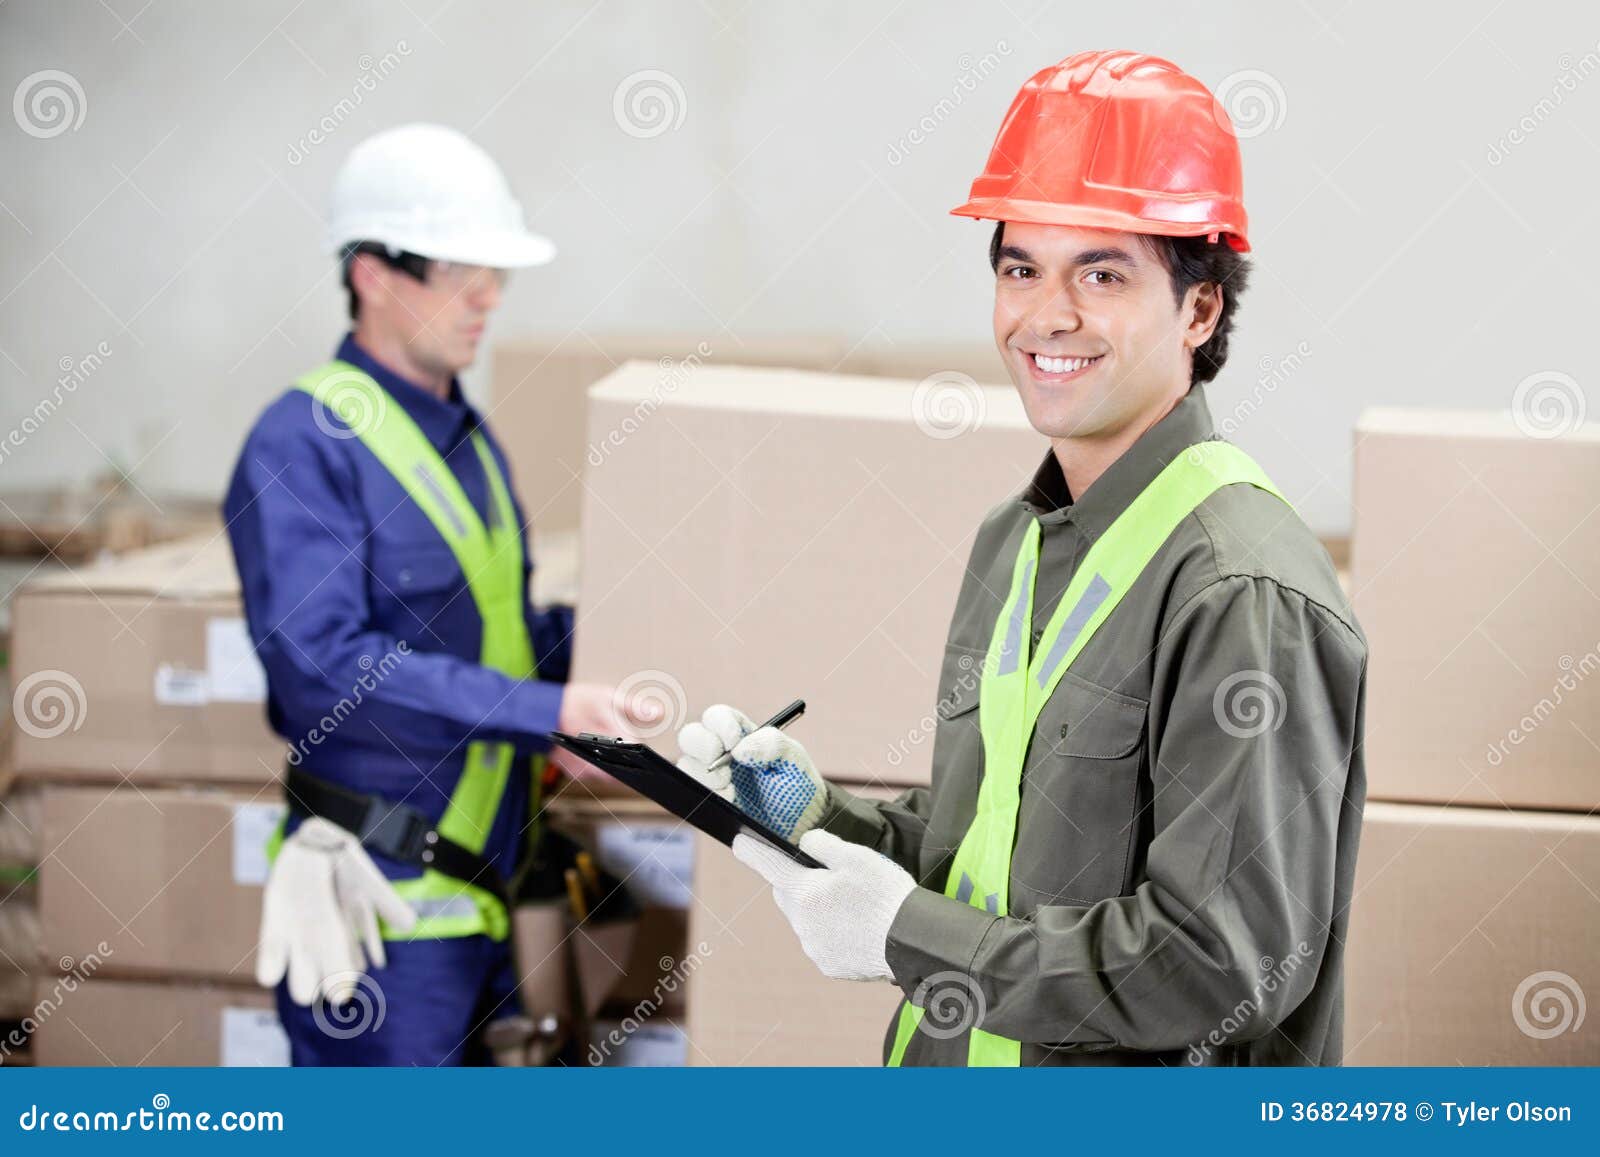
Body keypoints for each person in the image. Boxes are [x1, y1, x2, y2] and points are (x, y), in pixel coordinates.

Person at [675, 50, 1367, 1067]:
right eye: (1019, 267)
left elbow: (1221, 963)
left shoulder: (1239, 588)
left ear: (1200, 308)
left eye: (1102, 271)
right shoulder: (1019, 540)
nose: (1048, 314)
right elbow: (991, 863)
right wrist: (821, 819)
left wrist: (901, 931)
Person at [224, 124, 633, 1065]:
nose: (487, 296)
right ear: (372, 271)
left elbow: (499, 628)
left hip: (476, 897)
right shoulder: (305, 441)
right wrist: (546, 709)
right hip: (380, 917)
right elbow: (322, 670)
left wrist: (606, 675)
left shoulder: (465, 436)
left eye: (496, 271)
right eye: (459, 269)